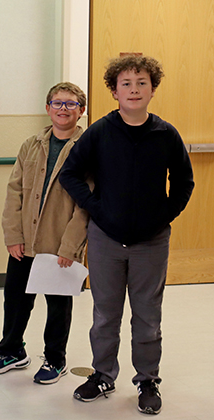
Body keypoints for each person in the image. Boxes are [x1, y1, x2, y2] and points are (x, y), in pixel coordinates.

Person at [60, 55, 194, 414]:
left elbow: (184, 182)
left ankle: (148, 380)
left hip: (151, 242)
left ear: (152, 89)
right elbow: (70, 174)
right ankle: (103, 374)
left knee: (148, 316)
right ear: (114, 90)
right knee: (105, 314)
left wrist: (163, 215)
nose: (134, 89)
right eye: (126, 84)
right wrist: (98, 209)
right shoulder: (100, 132)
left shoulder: (166, 134)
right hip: (105, 240)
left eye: (141, 83)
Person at [0, 82, 89, 384]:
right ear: (47, 108)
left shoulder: (88, 148)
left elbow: (87, 204)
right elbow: (14, 190)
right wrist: (12, 235)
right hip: (24, 242)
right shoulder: (32, 144)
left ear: (81, 110)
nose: (63, 109)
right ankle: (12, 350)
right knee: (15, 299)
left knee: (57, 305)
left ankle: (55, 359)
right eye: (57, 103)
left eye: (70, 104)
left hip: (59, 245)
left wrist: (70, 246)